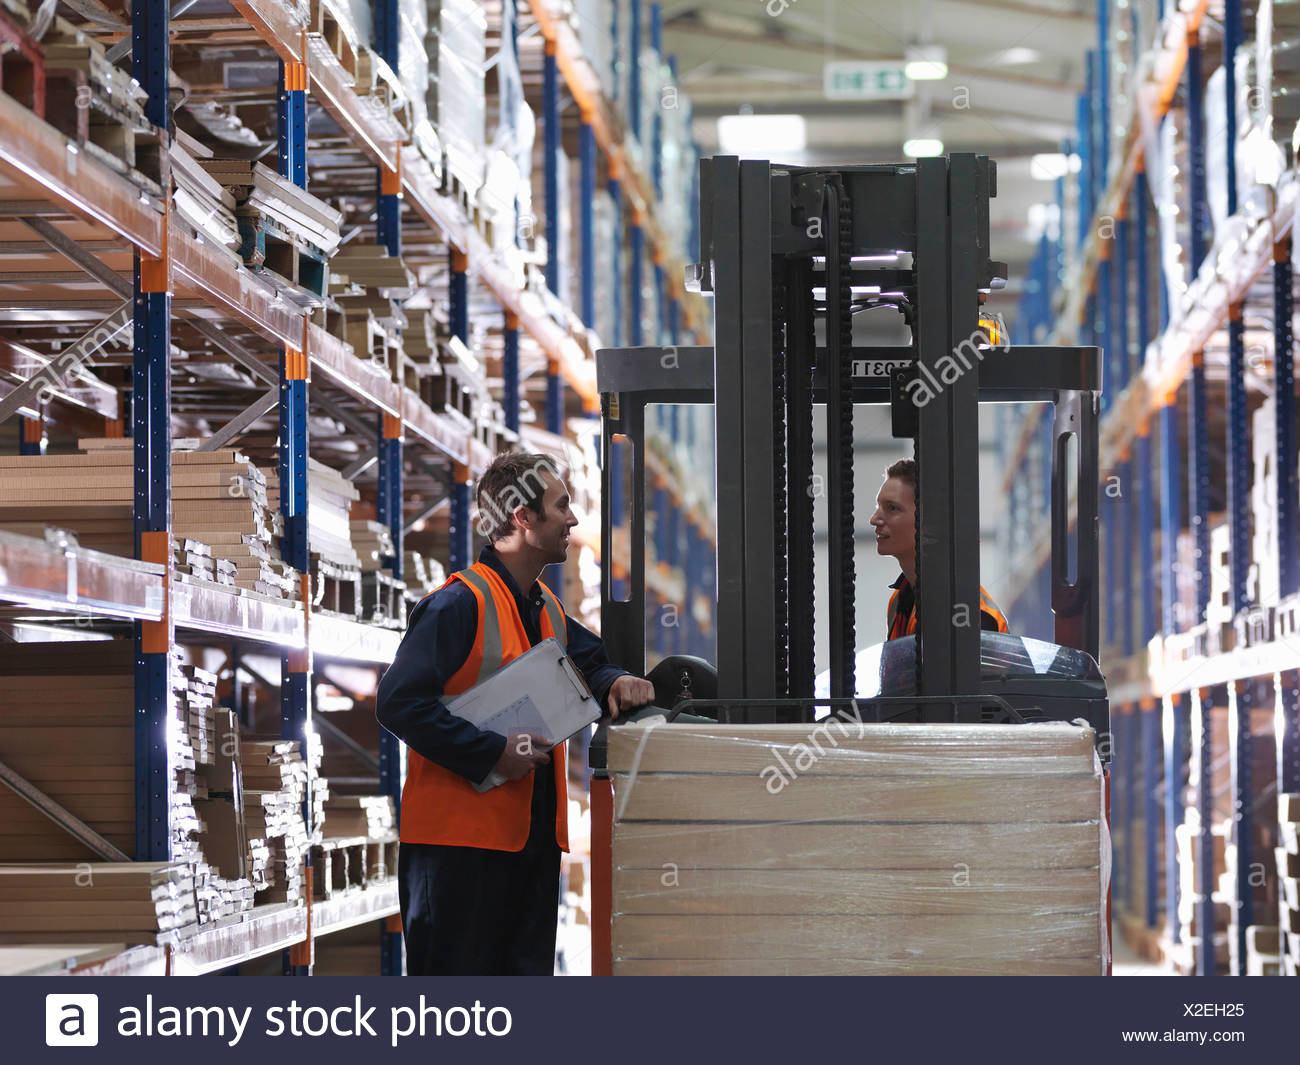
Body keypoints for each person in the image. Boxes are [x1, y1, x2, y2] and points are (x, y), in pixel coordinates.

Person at [376, 451, 655, 975]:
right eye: (562, 506)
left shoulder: (544, 605)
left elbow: (587, 663)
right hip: (458, 853)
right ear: (523, 519)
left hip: (527, 845)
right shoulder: (457, 605)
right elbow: (397, 703)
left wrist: (614, 680)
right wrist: (491, 753)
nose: (573, 519)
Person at [868, 458, 1009, 640]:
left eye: (892, 508)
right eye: (878, 506)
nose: (874, 519)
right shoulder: (899, 599)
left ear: (928, 520)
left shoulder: (969, 614)